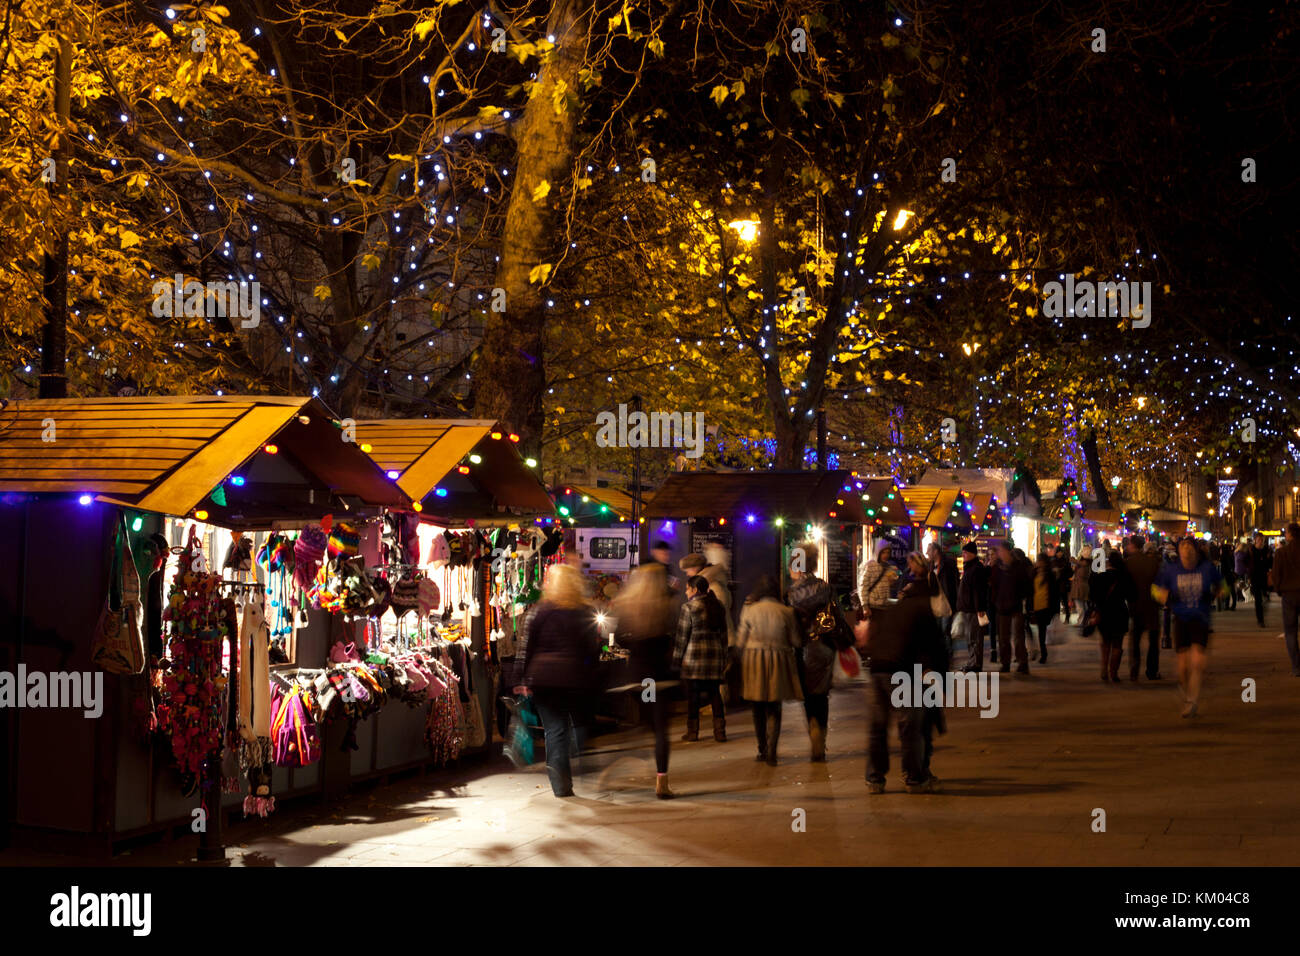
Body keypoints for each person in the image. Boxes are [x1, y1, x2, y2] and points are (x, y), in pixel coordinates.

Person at [521, 564, 602, 798]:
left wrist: (523, 678)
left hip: (545, 678)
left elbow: (528, 647)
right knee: (581, 723)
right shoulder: (585, 611)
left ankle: (561, 786)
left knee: (555, 731)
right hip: (575, 677)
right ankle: (586, 768)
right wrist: (592, 672)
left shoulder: (540, 611)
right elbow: (592, 648)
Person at [863, 579, 945, 794]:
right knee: (910, 726)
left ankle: (875, 779)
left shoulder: (894, 609)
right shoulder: (922, 609)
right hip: (900, 670)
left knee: (878, 727)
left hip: (877, 668)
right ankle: (914, 778)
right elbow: (933, 646)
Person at [611, 561, 679, 798]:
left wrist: (635, 646)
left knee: (648, 721)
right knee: (661, 730)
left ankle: (632, 754)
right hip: (658, 676)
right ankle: (662, 779)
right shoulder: (667, 606)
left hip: (638, 678)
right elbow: (674, 638)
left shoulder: (627, 606)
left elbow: (618, 637)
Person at [735, 576, 803, 764]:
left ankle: (762, 749)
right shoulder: (787, 612)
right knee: (774, 706)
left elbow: (740, 640)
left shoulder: (749, 610)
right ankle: (773, 750)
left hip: (754, 659)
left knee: (757, 707)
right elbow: (796, 641)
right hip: (778, 660)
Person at [1153, 537, 1224, 717]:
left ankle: (1192, 700)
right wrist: (1164, 597)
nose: (1187, 550)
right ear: (1179, 552)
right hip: (1181, 619)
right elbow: (1155, 588)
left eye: (1190, 547)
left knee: (1198, 662)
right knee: (1183, 668)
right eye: (1183, 547)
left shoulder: (1206, 568)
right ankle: (1186, 692)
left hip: (1200, 619)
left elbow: (1223, 585)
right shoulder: (1171, 570)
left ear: (1195, 551)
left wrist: (1220, 593)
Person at [787, 546, 839, 761]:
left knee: (808, 695)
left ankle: (813, 727)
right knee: (822, 695)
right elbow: (839, 615)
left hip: (803, 647)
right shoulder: (825, 588)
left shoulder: (791, 593)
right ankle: (823, 737)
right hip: (825, 646)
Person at [674, 575, 729, 742]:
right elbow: (724, 636)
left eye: (687, 588)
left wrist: (676, 659)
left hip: (694, 660)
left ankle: (693, 732)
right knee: (714, 694)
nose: (685, 591)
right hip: (714, 658)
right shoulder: (718, 606)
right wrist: (723, 658)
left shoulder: (689, 607)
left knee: (693, 696)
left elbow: (682, 637)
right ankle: (720, 732)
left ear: (695, 589)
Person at [1086, 543, 1132, 682]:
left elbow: (1093, 595)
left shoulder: (1100, 577)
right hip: (1120, 612)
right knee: (1117, 644)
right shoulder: (1124, 577)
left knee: (1105, 643)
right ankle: (1114, 672)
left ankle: (1103, 670)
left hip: (1104, 612)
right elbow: (1130, 595)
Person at [989, 541, 1031, 674]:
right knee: (1003, 638)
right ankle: (1005, 663)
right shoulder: (997, 567)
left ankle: (1022, 662)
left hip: (1015, 606)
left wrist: (1022, 599)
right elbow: (993, 585)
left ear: (1007, 551)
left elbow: (1026, 585)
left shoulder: (1018, 567)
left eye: (1000, 551)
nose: (999, 554)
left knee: (1018, 636)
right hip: (1001, 607)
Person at [1124, 535, 1162, 681]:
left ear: (1133, 545)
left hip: (1135, 606)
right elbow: (1159, 584)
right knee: (1153, 641)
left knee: (1135, 640)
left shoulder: (1128, 563)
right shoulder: (1153, 563)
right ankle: (1152, 671)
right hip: (1151, 606)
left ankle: (1134, 668)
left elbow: (1125, 586)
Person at [1268, 523, 1300, 676]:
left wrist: (1279, 589)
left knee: (1290, 631)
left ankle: (1296, 666)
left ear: (1290, 535)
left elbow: (1276, 574)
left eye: (1286, 533)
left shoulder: (1282, 553)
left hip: (1289, 594)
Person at [956, 541, 989, 672]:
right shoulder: (970, 567)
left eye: (965, 552)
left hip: (974, 610)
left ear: (972, 554)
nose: (963, 555)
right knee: (970, 637)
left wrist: (979, 609)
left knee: (975, 638)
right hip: (968, 609)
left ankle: (975, 664)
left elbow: (978, 591)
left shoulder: (976, 568)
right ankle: (972, 662)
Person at [927, 541, 959, 647]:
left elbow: (955, 583)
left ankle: (948, 659)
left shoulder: (948, 564)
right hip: (935, 604)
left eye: (929, 550)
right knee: (937, 632)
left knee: (946, 631)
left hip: (946, 602)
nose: (927, 553)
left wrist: (955, 602)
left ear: (935, 551)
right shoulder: (930, 566)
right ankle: (941, 658)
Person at [1030, 553, 1059, 664]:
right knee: (1040, 630)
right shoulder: (1034, 573)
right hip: (1036, 605)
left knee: (1042, 631)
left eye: (1041, 560)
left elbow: (1055, 592)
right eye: (1038, 560)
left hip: (1046, 606)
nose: (1039, 562)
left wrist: (1055, 610)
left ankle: (1043, 653)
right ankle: (1042, 652)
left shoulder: (1050, 575)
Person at [858, 539, 899, 611]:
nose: (886, 555)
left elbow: (891, 585)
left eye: (888, 553)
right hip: (872, 606)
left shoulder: (888, 566)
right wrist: (865, 606)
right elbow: (863, 586)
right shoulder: (870, 565)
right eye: (883, 552)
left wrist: (893, 580)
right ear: (878, 552)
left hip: (884, 606)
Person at [1249, 532, 1272, 626]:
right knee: (1258, 600)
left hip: (1264, 577)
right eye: (1259, 540)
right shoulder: (1251, 550)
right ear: (1255, 540)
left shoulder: (1266, 550)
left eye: (1262, 540)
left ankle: (1262, 613)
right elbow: (1247, 563)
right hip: (1255, 578)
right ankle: (1260, 620)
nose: (1260, 542)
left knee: (1265, 598)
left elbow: (1270, 562)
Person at [1070, 546, 1093, 624]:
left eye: (1083, 550)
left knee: (1080, 606)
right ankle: (1084, 620)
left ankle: (1081, 621)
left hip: (1080, 586)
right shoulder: (1086, 562)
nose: (1082, 551)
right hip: (1082, 586)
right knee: (1082, 605)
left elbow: (1080, 563)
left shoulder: (1085, 563)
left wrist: (1074, 561)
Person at [1218, 541, 1237, 611]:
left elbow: (1225, 567)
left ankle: (1227, 605)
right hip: (1230, 575)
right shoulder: (1230, 556)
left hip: (1226, 575)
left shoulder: (1223, 557)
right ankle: (1232, 605)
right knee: (1231, 590)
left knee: (1228, 591)